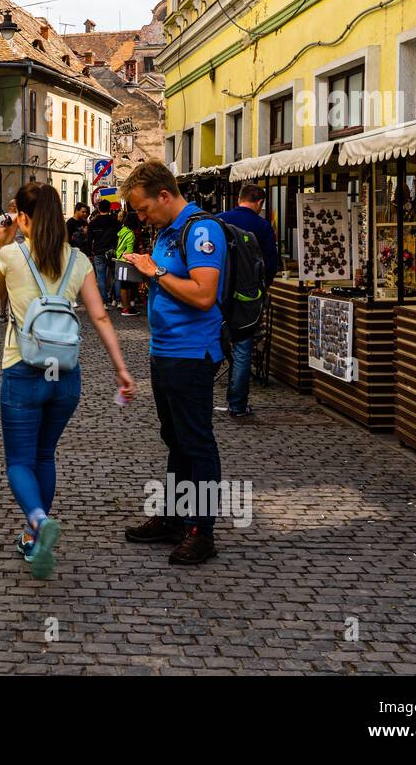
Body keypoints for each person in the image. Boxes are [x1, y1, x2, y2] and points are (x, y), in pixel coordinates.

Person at [0, 181, 135, 580]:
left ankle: (37, 520)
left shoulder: (12, 256)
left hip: (22, 368)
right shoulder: (79, 260)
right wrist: (121, 368)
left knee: (19, 460)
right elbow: (101, 316)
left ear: (25, 218)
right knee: (45, 454)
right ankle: (36, 540)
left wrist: (4, 239)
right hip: (66, 376)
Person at [119, 160, 226, 566]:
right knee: (175, 439)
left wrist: (156, 270)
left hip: (191, 353)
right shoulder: (168, 231)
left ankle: (202, 530)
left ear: (165, 195)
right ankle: (176, 517)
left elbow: (203, 295)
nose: (141, 216)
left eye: (144, 208)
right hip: (164, 351)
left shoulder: (201, 229)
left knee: (197, 442)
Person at [218, 183, 280, 418]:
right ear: (260, 203)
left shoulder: (219, 220)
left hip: (218, 295)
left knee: (213, 342)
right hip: (248, 297)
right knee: (243, 349)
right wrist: (262, 289)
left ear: (239, 198)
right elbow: (271, 263)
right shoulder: (262, 226)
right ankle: (237, 404)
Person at [88, 202, 121, 308]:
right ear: (110, 208)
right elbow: (119, 236)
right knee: (115, 276)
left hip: (98, 251)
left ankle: (104, 302)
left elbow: (89, 239)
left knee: (101, 277)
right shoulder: (114, 221)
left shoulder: (93, 223)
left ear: (98, 208)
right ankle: (118, 300)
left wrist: (90, 252)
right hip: (112, 251)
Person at [113, 212, 143, 317]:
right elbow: (129, 251)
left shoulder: (123, 230)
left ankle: (126, 307)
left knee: (124, 285)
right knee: (128, 285)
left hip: (120, 260)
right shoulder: (130, 234)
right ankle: (126, 309)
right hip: (126, 261)